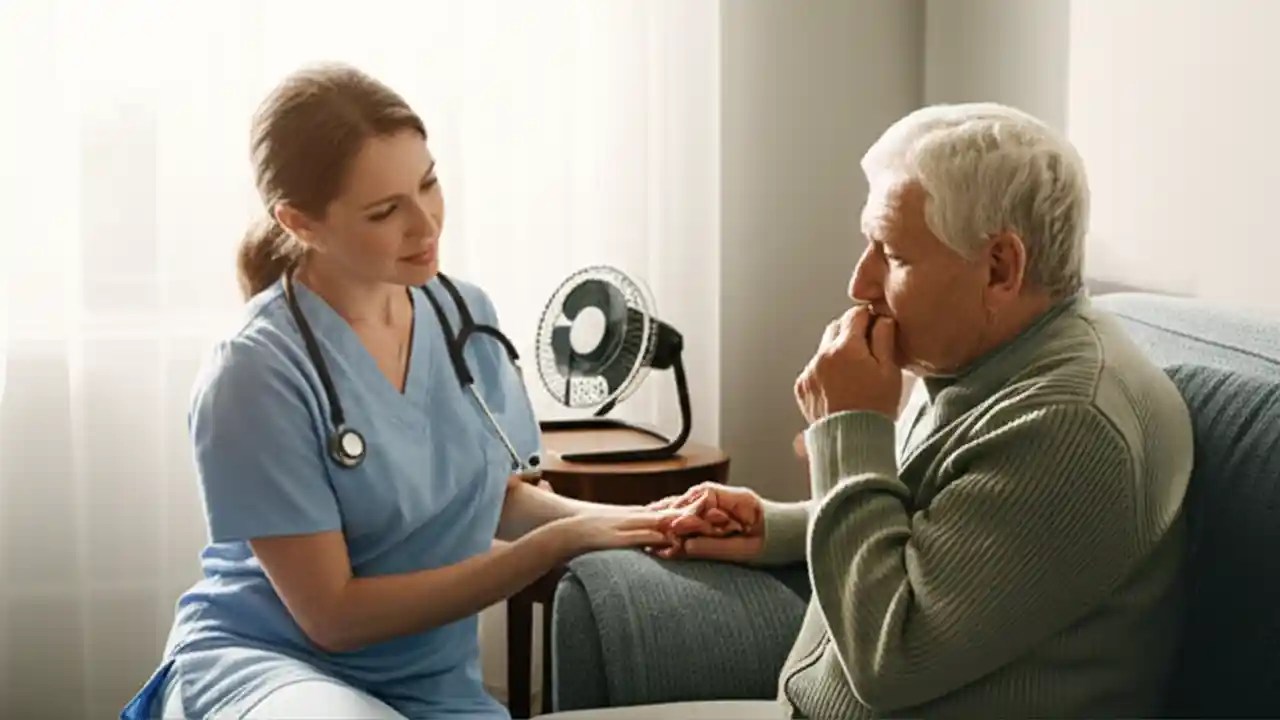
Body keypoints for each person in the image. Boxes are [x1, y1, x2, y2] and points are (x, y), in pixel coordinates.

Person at [549, 102, 1194, 718]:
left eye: (893, 255)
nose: (859, 284)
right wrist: (779, 527)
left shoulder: (1072, 426)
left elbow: (891, 660)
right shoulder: (984, 360)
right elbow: (944, 533)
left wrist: (848, 430)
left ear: (1000, 267)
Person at [120, 63, 677, 720]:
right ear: (299, 222)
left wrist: (653, 519)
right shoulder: (255, 373)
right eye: (386, 211)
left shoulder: (464, 314)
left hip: (433, 685)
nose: (426, 225)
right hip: (274, 668)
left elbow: (500, 499)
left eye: (429, 183)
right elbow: (333, 616)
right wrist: (552, 548)